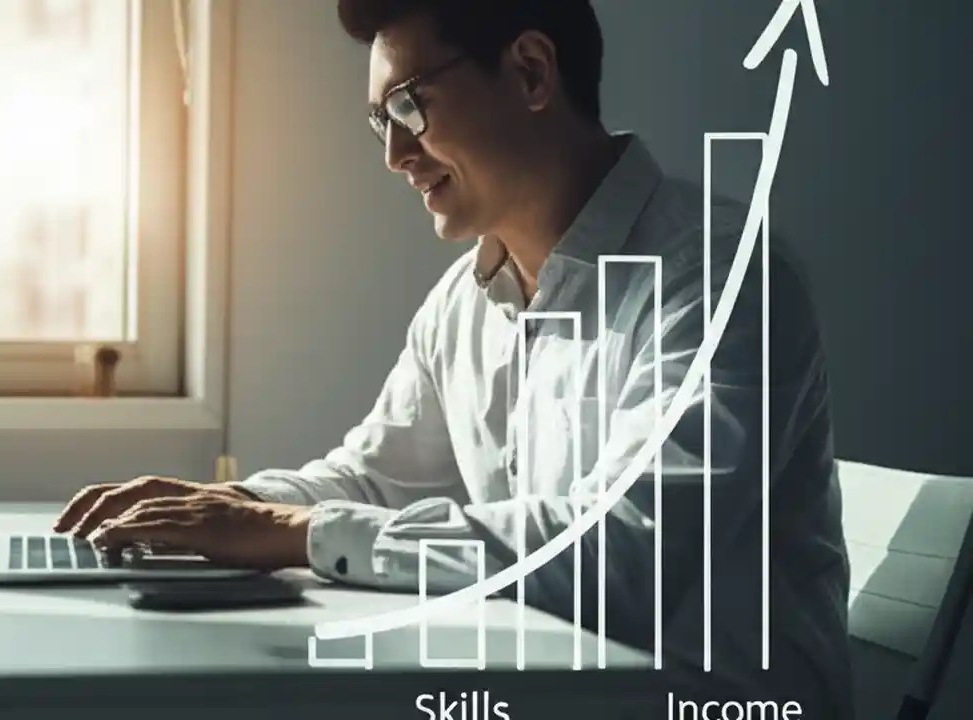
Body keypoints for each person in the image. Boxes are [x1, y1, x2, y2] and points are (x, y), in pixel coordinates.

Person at [54, 0, 851, 714]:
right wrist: (211, 512)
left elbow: (623, 562)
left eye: (410, 105)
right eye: (380, 121)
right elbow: (368, 478)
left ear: (532, 71)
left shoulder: (715, 276)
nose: (395, 154)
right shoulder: (467, 302)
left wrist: (284, 529)